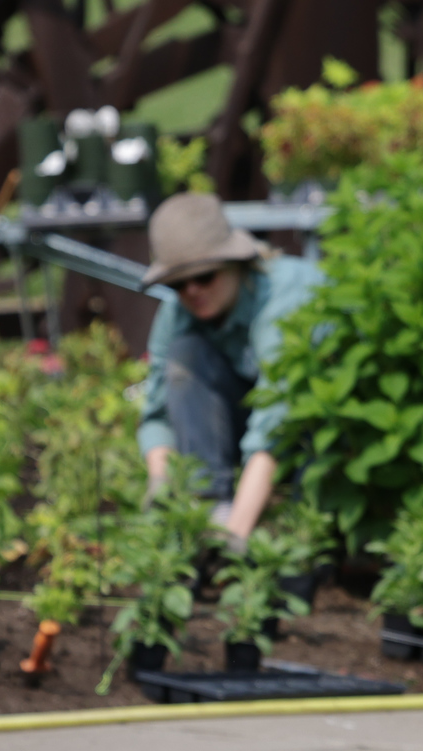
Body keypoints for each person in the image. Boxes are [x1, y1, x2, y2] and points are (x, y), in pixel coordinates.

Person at [137, 192, 324, 543]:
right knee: (185, 356)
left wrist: (235, 536)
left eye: (205, 276)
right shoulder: (179, 311)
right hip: (253, 422)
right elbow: (157, 414)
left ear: (235, 262)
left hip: (319, 427)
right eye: (177, 283)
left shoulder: (283, 297)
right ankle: (207, 505)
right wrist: (164, 492)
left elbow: (275, 427)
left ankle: (282, 525)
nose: (192, 291)